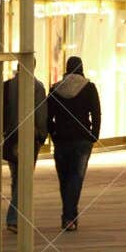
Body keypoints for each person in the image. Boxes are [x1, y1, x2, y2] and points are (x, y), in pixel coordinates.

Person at [47, 57, 100, 231]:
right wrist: (94, 135)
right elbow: (96, 113)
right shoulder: (89, 87)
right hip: (82, 139)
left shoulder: (56, 89)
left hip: (61, 139)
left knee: (64, 179)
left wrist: (53, 134)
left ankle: (68, 216)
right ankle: (69, 216)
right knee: (76, 177)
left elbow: (48, 116)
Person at [2, 69, 47, 232]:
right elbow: (41, 114)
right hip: (28, 138)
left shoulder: (6, 86)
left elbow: (0, 110)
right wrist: (42, 135)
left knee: (16, 177)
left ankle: (17, 216)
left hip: (10, 138)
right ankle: (13, 218)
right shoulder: (37, 87)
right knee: (24, 179)